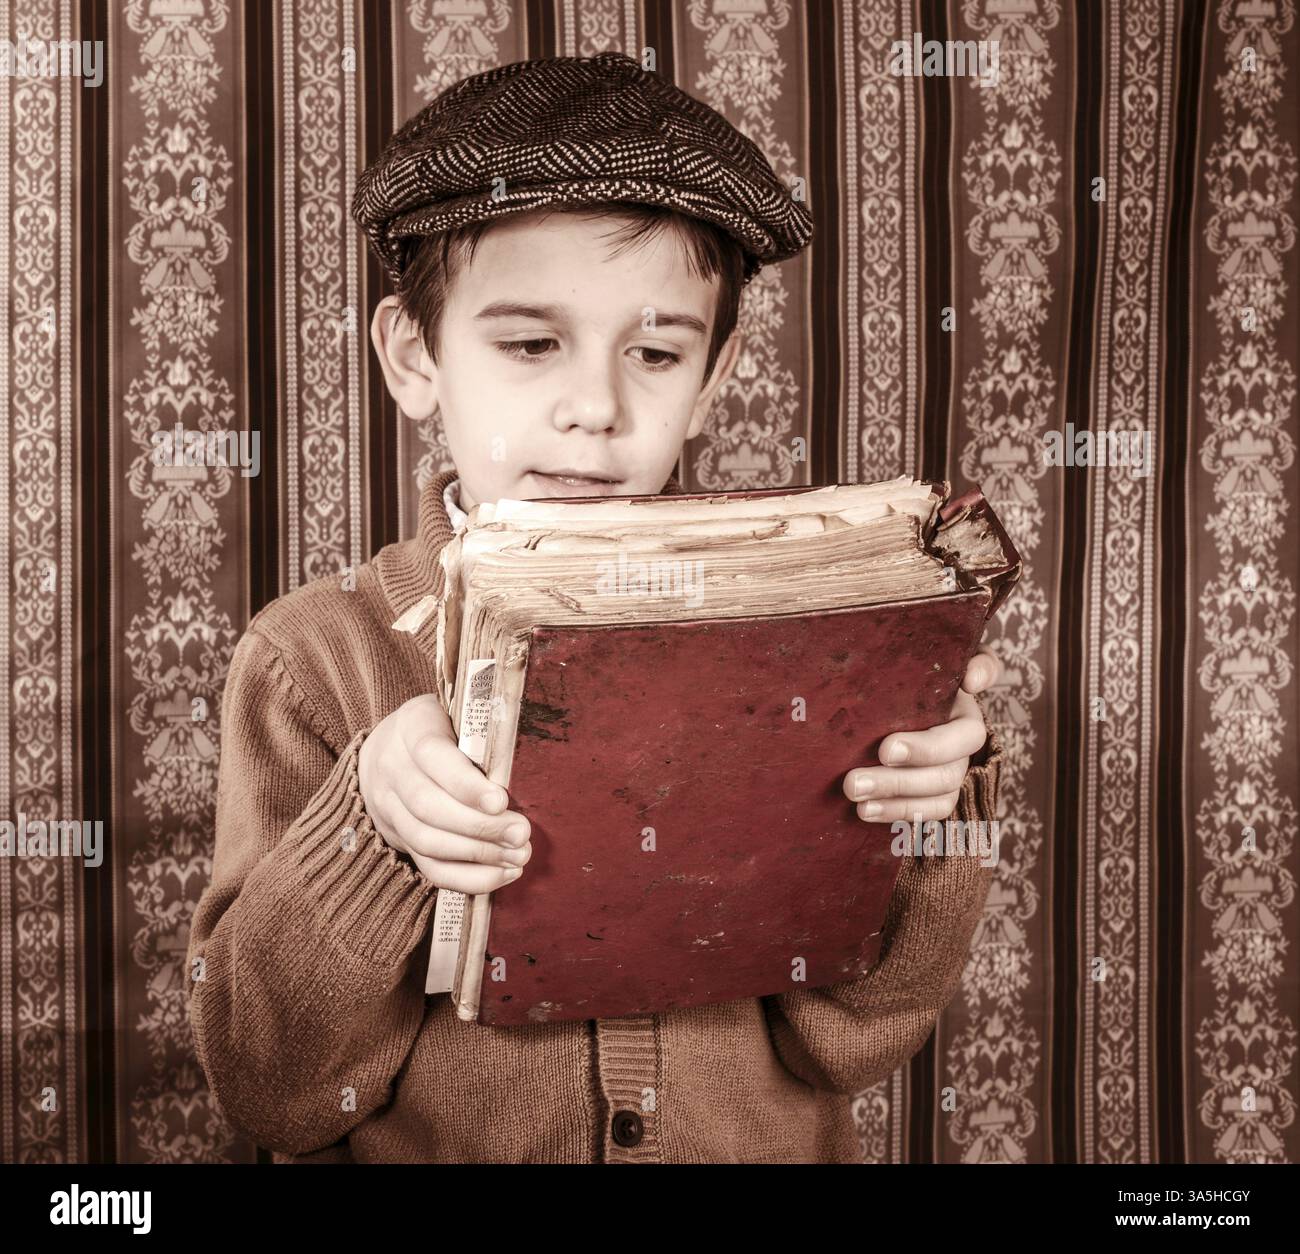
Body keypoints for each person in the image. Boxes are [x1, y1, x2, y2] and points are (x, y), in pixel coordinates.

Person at [187, 51, 1004, 1164]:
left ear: (711, 378)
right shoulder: (310, 659)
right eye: (529, 343)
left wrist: (927, 811)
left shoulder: (805, 639)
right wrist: (372, 827)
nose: (596, 408)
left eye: (656, 352)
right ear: (412, 354)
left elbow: (852, 1044)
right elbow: (272, 1091)